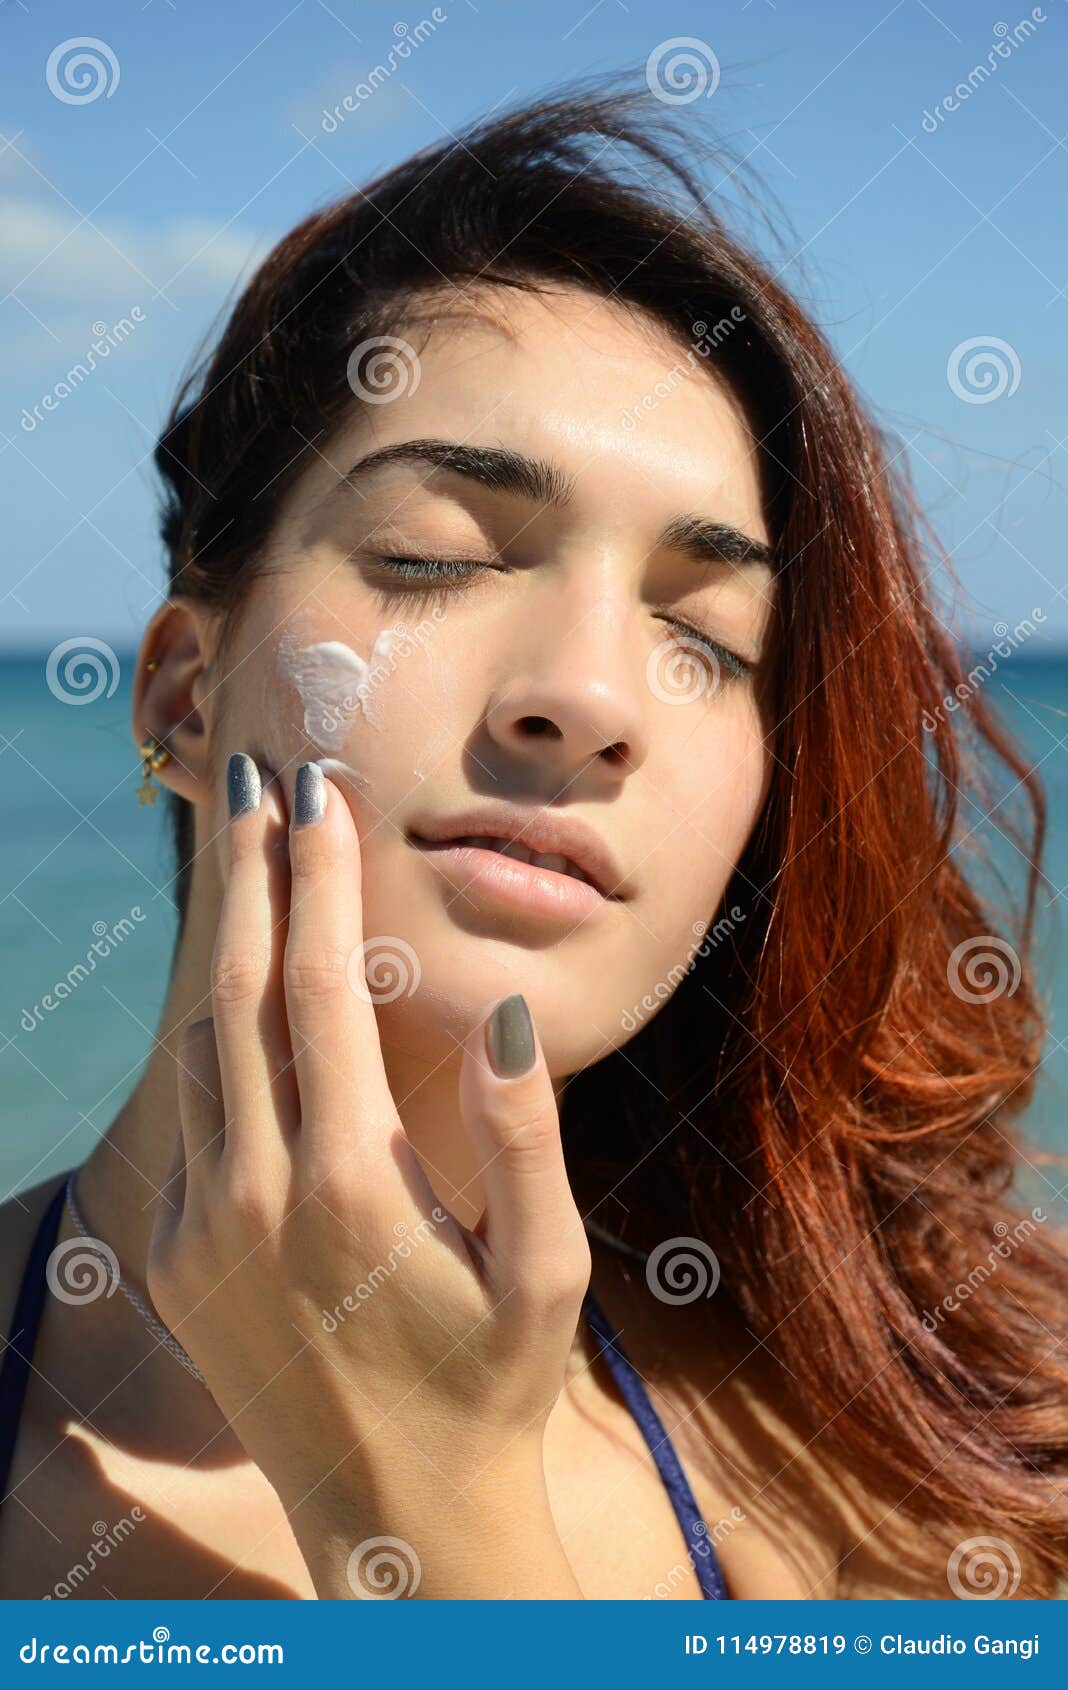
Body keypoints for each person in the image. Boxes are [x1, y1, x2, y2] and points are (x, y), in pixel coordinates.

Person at [2, 87, 1065, 1601]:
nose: (587, 695)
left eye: (708, 636)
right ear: (180, 691)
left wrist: (443, 1515)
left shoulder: (933, 1484)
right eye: (436, 556)